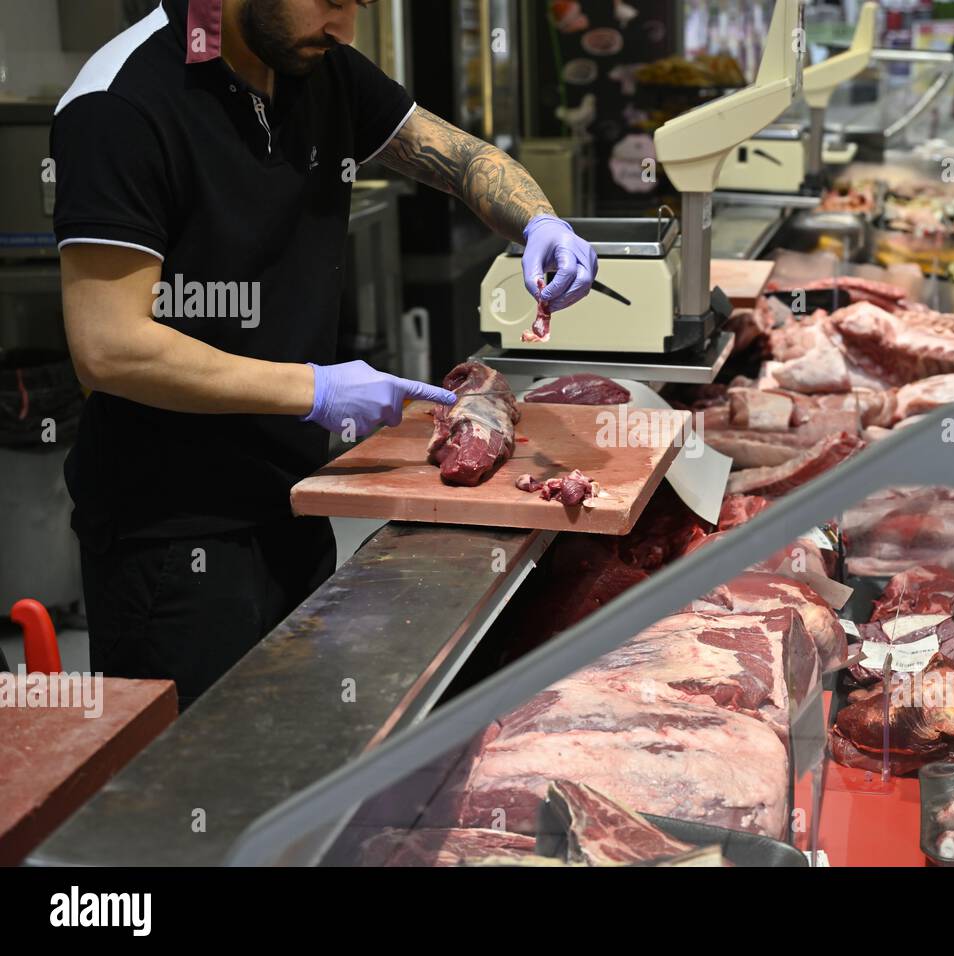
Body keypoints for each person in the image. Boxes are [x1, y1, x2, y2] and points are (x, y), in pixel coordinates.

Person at [52, 0, 597, 708]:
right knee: (208, 793)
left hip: (297, 504)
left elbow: (464, 160)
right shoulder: (121, 102)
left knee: (298, 763)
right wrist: (312, 389)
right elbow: (108, 347)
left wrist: (540, 221)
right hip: (172, 537)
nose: (347, 26)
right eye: (334, 0)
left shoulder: (314, 64)